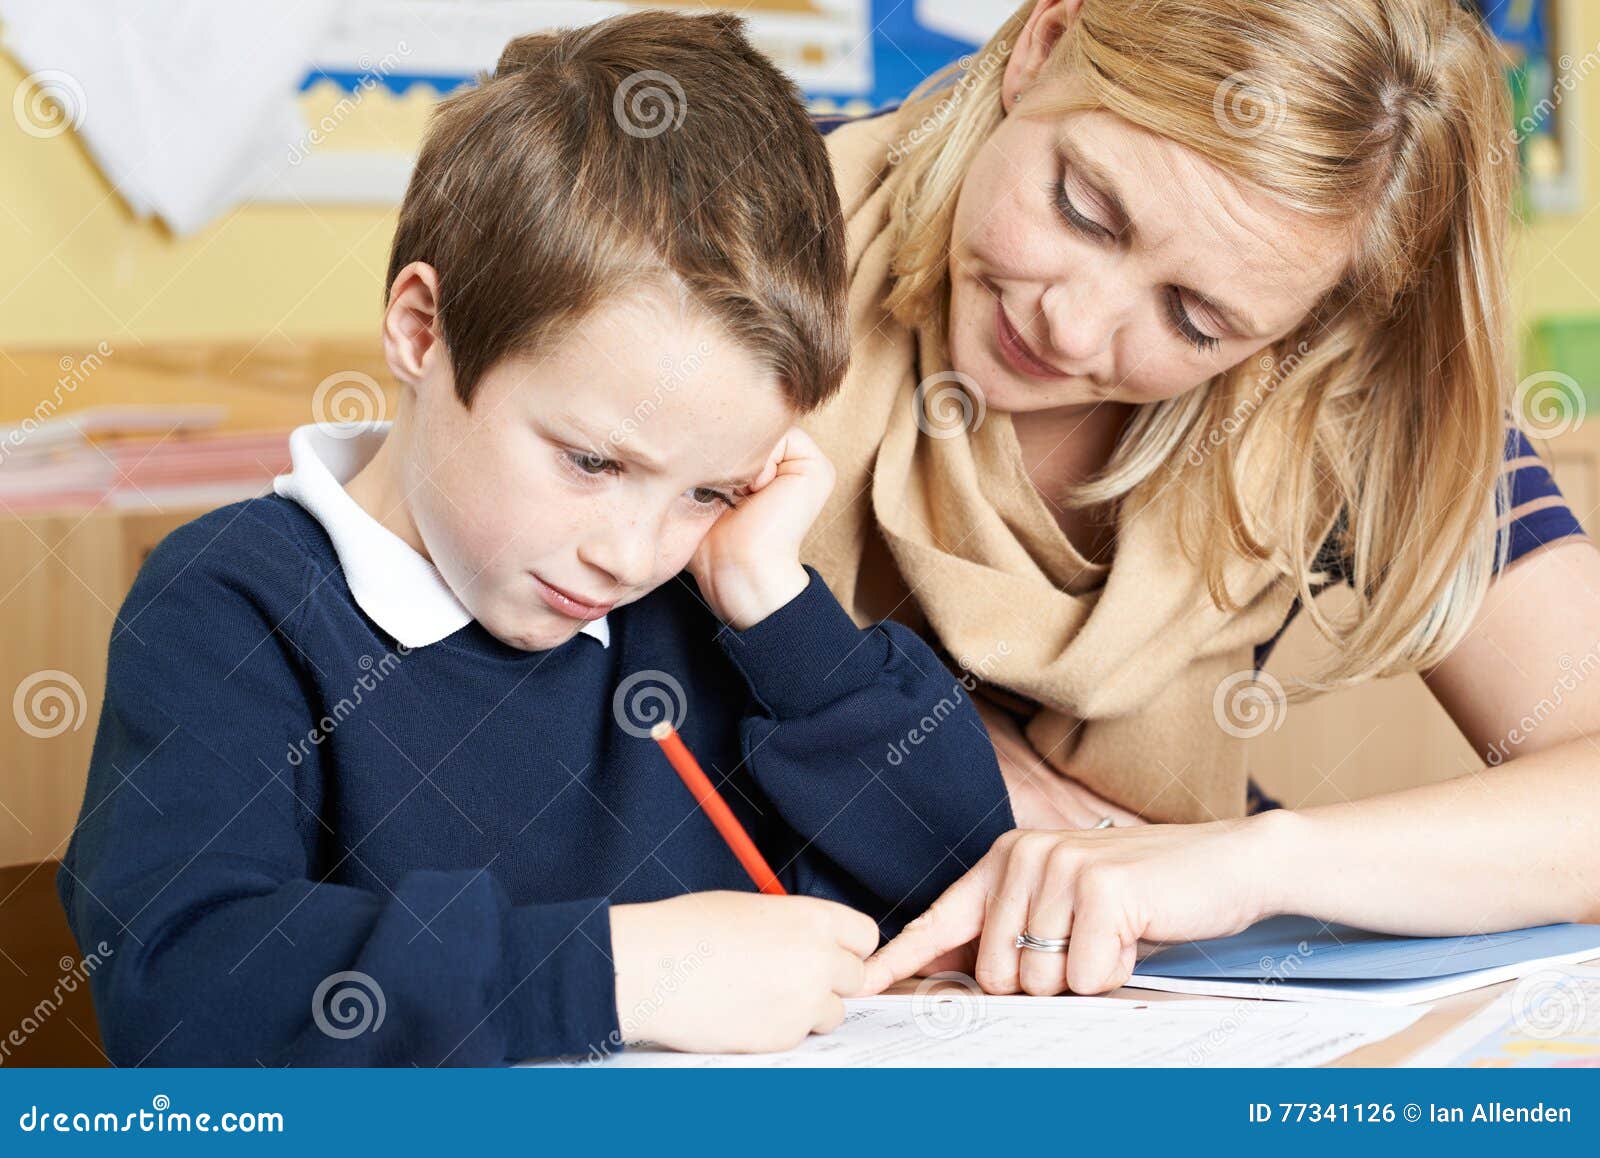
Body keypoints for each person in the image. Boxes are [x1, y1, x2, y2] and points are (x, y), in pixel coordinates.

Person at [56, 10, 1013, 1065]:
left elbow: (955, 874)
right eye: (593, 463)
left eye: (709, 489)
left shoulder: (701, 610)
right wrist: (618, 972)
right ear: (424, 331)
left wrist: (774, 605)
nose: (634, 552)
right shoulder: (236, 605)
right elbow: (184, 985)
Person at [797, 0, 1600, 998]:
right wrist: (948, 759)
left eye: (1195, 318)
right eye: (1082, 208)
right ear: (1044, 47)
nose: (1071, 327)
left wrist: (1251, 861)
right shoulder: (738, 225)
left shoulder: (1343, 395)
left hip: (1140, 984)